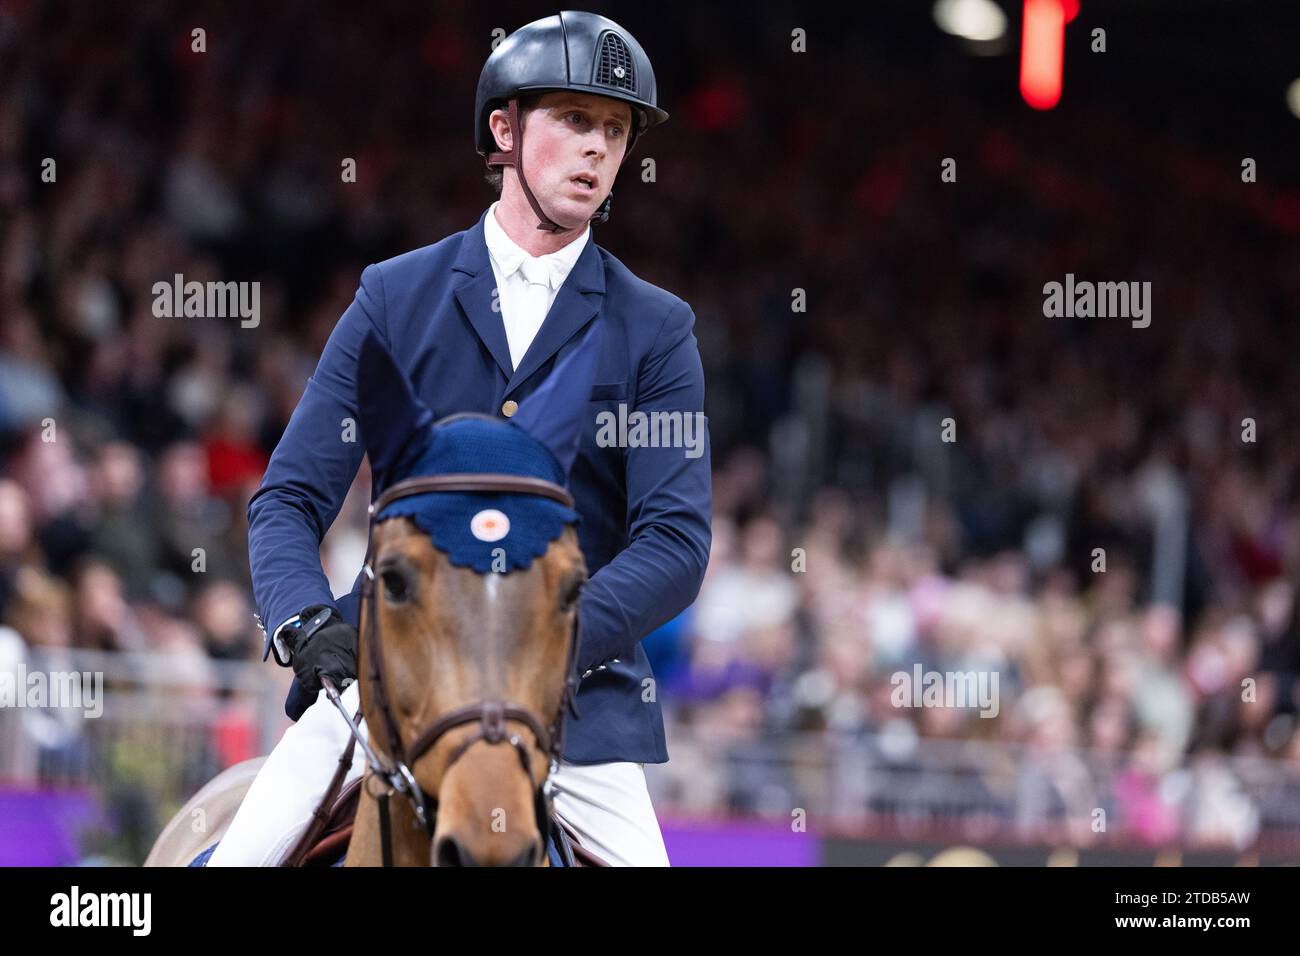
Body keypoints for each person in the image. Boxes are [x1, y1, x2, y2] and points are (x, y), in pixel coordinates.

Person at [207, 10, 711, 866]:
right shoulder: (395, 297)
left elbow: (676, 541)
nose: (597, 148)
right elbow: (290, 498)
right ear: (505, 130)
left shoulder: (657, 329)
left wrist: (541, 647)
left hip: (571, 708)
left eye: (616, 130)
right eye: (575, 120)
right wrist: (302, 619)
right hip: (391, 691)